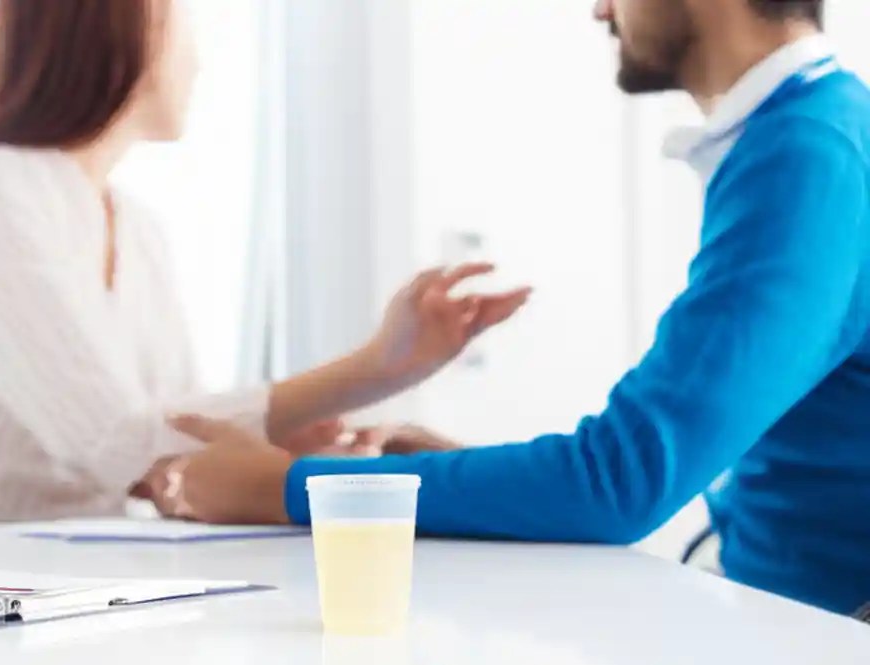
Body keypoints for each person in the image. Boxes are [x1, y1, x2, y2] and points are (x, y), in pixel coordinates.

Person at [161, 0, 870, 617]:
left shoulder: (810, 157)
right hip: (764, 616)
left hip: (811, 652)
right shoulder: (807, 134)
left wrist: (280, 488)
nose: (600, 11)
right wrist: (469, 478)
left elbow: (618, 484)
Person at [0, 0, 530, 522]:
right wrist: (378, 367)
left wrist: (289, 448)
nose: (197, 59)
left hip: (71, 572)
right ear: (134, 23)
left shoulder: (138, 228)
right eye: (183, 21)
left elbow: (171, 441)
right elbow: (118, 443)